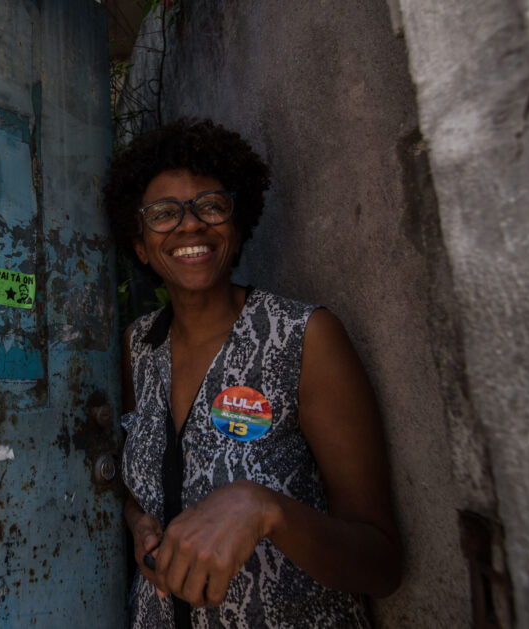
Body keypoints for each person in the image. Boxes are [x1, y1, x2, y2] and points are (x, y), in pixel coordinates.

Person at [103, 119, 402, 628]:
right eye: (164, 214)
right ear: (139, 245)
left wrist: (264, 508)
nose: (190, 224)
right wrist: (138, 523)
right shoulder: (138, 347)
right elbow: (140, 481)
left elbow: (382, 563)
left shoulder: (304, 338)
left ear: (237, 228)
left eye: (212, 206)